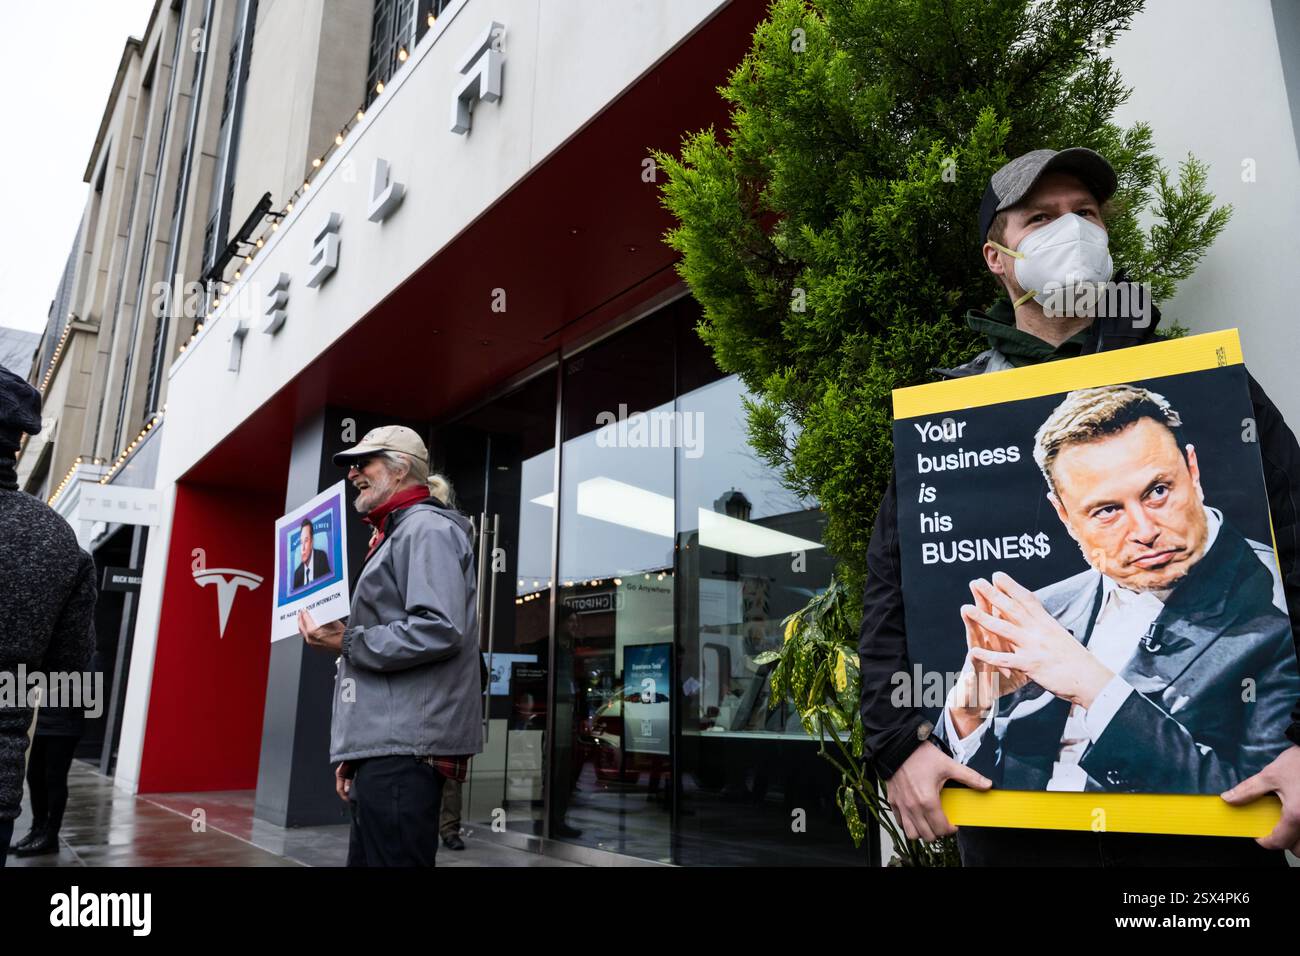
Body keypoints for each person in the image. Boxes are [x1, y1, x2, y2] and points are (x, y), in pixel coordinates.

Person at [858, 147, 1300, 866]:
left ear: (1190, 471)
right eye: (1041, 218)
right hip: (1016, 841)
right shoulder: (945, 416)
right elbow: (889, 595)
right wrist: (899, 746)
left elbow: (1299, 534)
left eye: (1086, 215)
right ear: (997, 257)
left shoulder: (1205, 385)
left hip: (1210, 849)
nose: (1074, 231)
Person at [934, 385, 1300, 794]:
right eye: (1107, 510)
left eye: (1158, 491)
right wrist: (968, 711)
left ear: (1193, 471)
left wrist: (1094, 686)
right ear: (1064, 516)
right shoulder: (1043, 610)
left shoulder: (1279, 604)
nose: (1144, 532)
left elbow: (1260, 803)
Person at [298, 425, 483, 866]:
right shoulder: (400, 530)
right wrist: (356, 753)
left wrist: (348, 639)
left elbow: (440, 628)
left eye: (364, 463)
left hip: (405, 751)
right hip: (388, 749)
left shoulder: (424, 529)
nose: (353, 473)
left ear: (401, 471)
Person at [0, 367, 97, 866]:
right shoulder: (58, 538)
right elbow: (70, 664)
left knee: (52, 774)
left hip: (47, 729)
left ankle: (45, 830)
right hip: (4, 771)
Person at [291, 518, 331, 591]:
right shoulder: (297, 574)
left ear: (312, 542)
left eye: (306, 541)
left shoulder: (321, 558)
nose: (303, 548)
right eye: (301, 542)